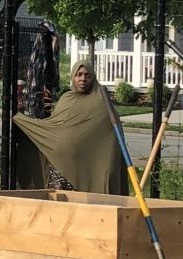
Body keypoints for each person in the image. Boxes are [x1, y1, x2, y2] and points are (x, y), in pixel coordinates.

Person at [10, 59, 127, 193]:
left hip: (88, 167)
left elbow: (103, 134)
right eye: (79, 75)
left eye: (87, 75)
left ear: (93, 77)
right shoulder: (67, 98)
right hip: (61, 169)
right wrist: (26, 121)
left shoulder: (100, 100)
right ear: (73, 77)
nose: (83, 79)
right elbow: (60, 127)